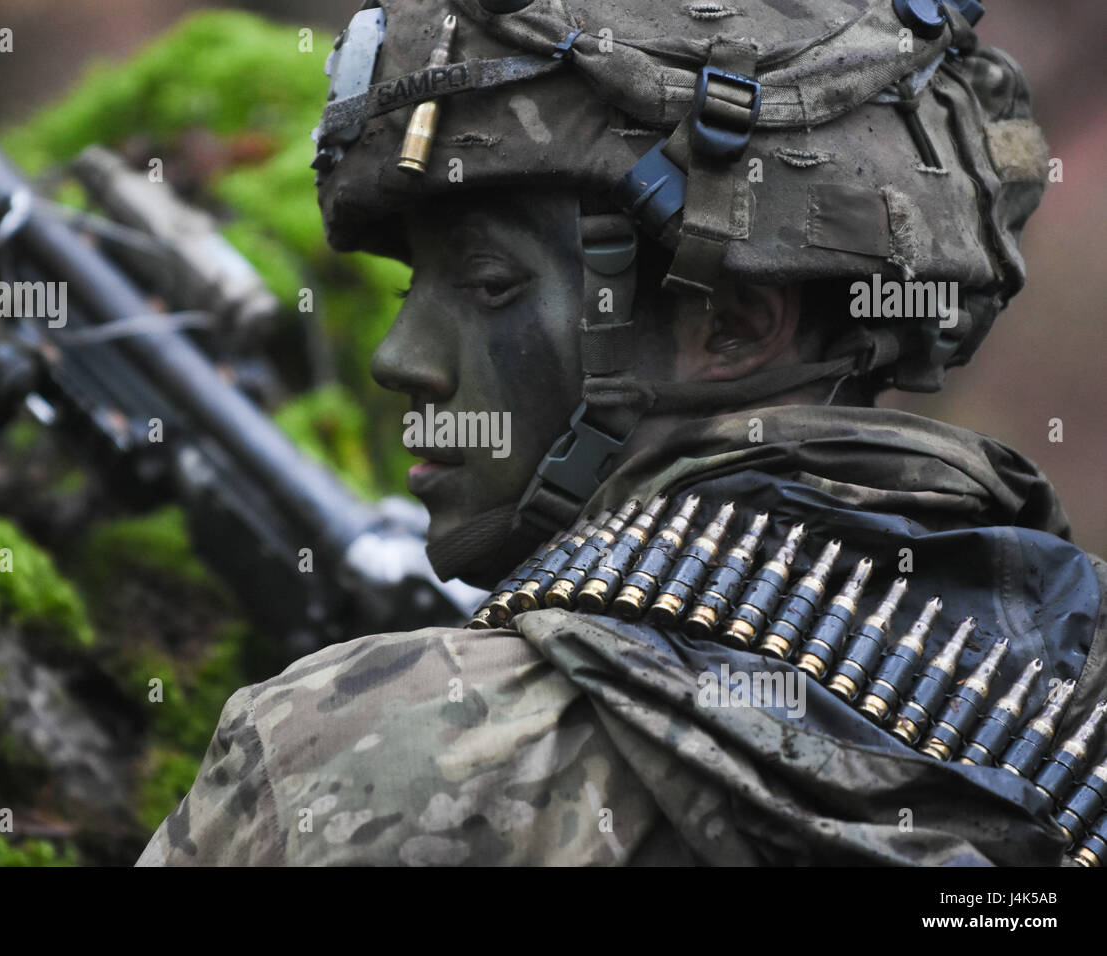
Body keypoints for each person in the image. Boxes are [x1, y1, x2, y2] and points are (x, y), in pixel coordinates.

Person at [138, 0, 1107, 865]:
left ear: (730, 321)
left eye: (486, 284)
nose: (399, 355)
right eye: (407, 286)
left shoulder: (349, 748)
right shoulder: (1072, 693)